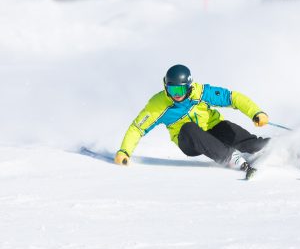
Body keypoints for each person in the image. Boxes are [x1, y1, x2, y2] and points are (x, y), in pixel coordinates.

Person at [114, 64, 270, 171]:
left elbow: (232, 98)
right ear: (165, 86)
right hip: (189, 141)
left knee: (246, 141)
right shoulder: (158, 105)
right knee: (188, 127)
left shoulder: (200, 92)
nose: (176, 94)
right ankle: (231, 158)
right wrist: (124, 151)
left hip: (213, 129)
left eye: (180, 89)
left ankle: (277, 148)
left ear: (188, 86)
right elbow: (137, 128)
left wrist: (256, 113)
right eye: (172, 89)